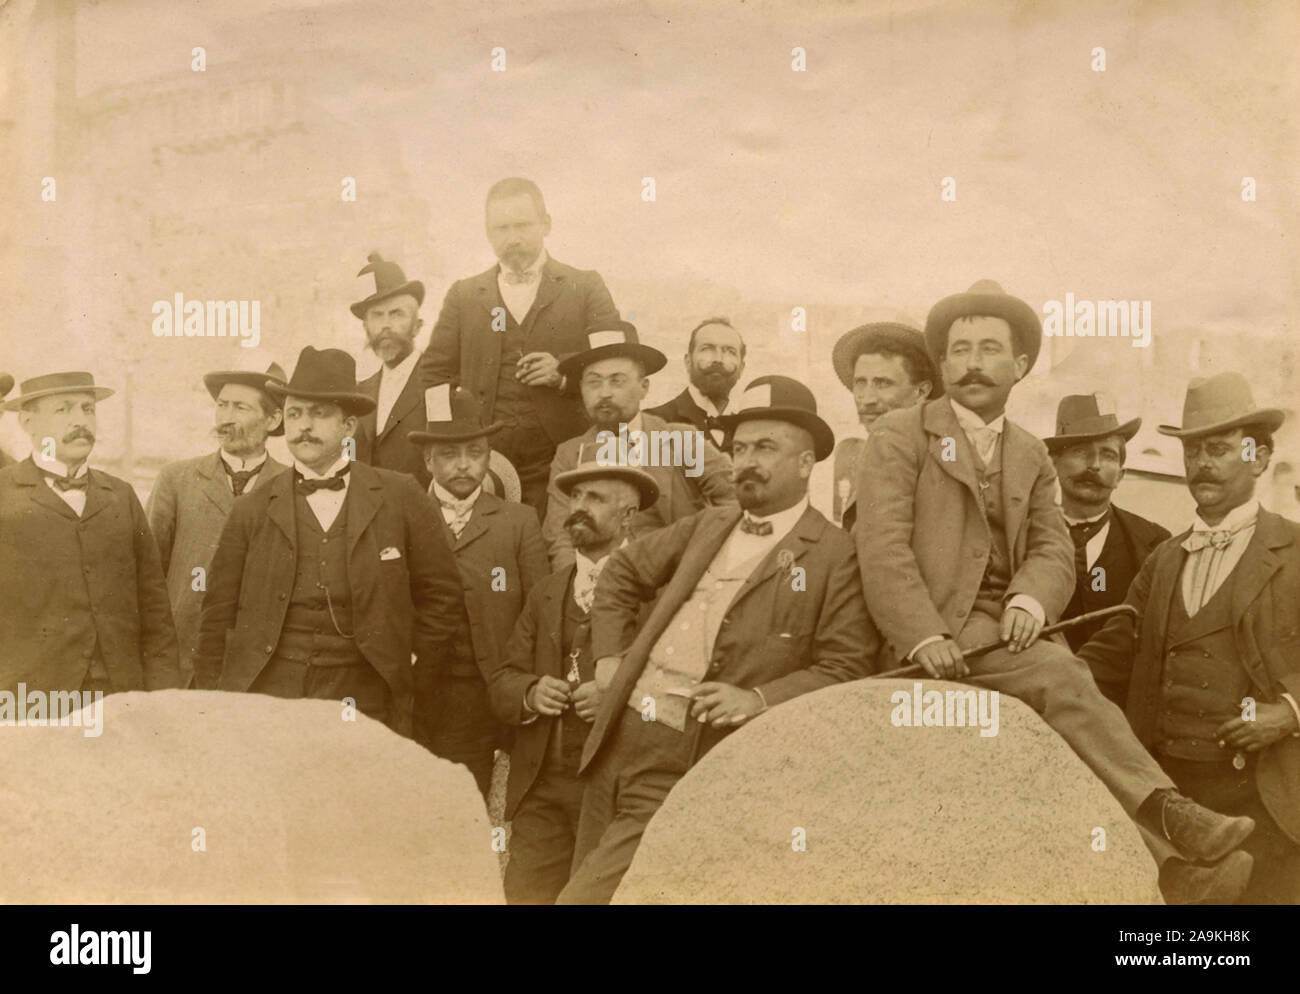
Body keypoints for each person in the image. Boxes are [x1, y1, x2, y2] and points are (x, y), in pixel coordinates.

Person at [855, 280, 1258, 904]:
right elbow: (883, 551)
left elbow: (1050, 549)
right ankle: (1171, 814)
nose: (972, 362)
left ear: (1019, 366)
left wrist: (1029, 601)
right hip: (932, 640)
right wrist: (923, 635)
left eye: (990, 348)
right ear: (941, 365)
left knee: (1064, 715)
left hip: (997, 636)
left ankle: (1176, 870)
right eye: (958, 349)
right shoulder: (899, 437)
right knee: (1065, 677)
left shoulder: (1030, 455)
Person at [556, 376, 882, 904]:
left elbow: (845, 666)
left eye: (766, 448)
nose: (746, 461)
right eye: (740, 448)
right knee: (589, 871)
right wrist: (609, 659)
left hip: (696, 758)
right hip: (618, 739)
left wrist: (756, 700)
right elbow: (620, 575)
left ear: (806, 463)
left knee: (588, 897)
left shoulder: (836, 554)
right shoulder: (709, 523)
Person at [1079, 372, 1300, 903]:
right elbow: (1109, 654)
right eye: (1193, 450)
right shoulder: (1164, 557)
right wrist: (1038, 679)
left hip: (1267, 801)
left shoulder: (1293, 551)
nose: (1201, 463)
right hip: (1174, 803)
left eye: (1219, 449)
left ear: (1259, 456)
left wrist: (1290, 711)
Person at [195, 347, 462, 736]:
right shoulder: (251, 509)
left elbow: (442, 596)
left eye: (319, 414)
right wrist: (215, 701)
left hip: (367, 696)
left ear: (349, 425)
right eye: (294, 413)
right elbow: (217, 613)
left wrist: (410, 665)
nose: (304, 427)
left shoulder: (399, 496)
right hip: (270, 695)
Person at [487, 442, 655, 903]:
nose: (579, 509)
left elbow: (677, 690)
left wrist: (615, 696)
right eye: (575, 498)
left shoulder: (657, 592)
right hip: (543, 786)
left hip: (615, 792)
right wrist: (531, 691)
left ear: (628, 516)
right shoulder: (546, 593)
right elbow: (501, 682)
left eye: (596, 499)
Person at [418, 177, 621, 516]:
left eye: (523, 225)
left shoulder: (585, 286)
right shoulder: (464, 295)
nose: (512, 237)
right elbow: (434, 374)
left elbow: (616, 362)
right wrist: (455, 437)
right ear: (487, 232)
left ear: (546, 224)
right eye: (501, 228)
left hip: (564, 457)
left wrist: (563, 373)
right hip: (484, 463)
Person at [407, 384, 548, 796]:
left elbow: (538, 609)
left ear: (489, 456)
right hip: (418, 690)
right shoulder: (405, 513)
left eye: (475, 453)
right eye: (449, 455)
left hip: (482, 689)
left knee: (467, 799)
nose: (463, 466)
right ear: (428, 459)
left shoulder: (518, 521)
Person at [0, 371, 180, 695]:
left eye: (87, 409)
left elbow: (155, 611)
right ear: (28, 421)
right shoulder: (4, 494)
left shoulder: (121, 496)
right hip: (31, 703)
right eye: (64, 409)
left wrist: (163, 696)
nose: (80, 420)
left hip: (121, 698)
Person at [542, 322, 735, 570]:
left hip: (673, 583)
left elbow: (734, 503)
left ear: (644, 387)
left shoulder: (681, 441)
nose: (604, 393)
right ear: (580, 389)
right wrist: (580, 591)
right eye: (593, 382)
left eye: (617, 381)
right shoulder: (570, 455)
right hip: (600, 586)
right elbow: (560, 538)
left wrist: (700, 565)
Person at [147, 362, 289, 685]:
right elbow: (146, 572)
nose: (226, 417)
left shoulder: (289, 486)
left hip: (256, 668)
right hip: (182, 661)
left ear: (273, 419)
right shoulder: (176, 480)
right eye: (221, 405)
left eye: (240, 407)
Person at [1042, 392, 1169, 662]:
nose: (1094, 465)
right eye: (1080, 451)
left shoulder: (1156, 544)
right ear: (1054, 464)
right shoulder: (1023, 536)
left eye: (1108, 455)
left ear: (1121, 475)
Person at [827, 322, 940, 531]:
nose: (867, 399)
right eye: (860, 382)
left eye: (883, 383)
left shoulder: (938, 460)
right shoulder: (853, 453)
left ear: (921, 391)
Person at [352, 252, 432, 488]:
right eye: (377, 315)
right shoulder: (359, 393)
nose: (385, 325)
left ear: (417, 326)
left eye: (396, 314)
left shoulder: (440, 382)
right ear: (366, 327)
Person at [645, 316, 746, 453]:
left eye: (730, 351)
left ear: (741, 368)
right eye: (707, 349)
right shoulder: (653, 422)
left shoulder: (748, 428)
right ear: (688, 361)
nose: (718, 359)